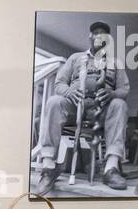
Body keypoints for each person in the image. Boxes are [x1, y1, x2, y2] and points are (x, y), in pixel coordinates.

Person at [34, 21, 130, 193]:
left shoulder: (116, 62)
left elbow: (124, 89)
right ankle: (49, 166)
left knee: (119, 104)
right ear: (90, 36)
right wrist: (70, 92)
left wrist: (113, 94)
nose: (99, 36)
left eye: (104, 34)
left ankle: (111, 168)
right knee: (54, 101)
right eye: (96, 33)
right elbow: (59, 84)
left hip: (102, 109)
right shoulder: (75, 58)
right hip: (75, 105)